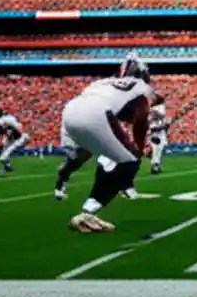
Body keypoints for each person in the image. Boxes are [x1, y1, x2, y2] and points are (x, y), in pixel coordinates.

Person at [55, 54, 155, 233]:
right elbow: (140, 123)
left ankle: (65, 177)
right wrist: (139, 149)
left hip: (70, 111)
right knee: (130, 161)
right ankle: (88, 214)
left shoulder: (104, 83)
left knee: (99, 155)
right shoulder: (142, 87)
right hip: (97, 114)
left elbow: (117, 112)